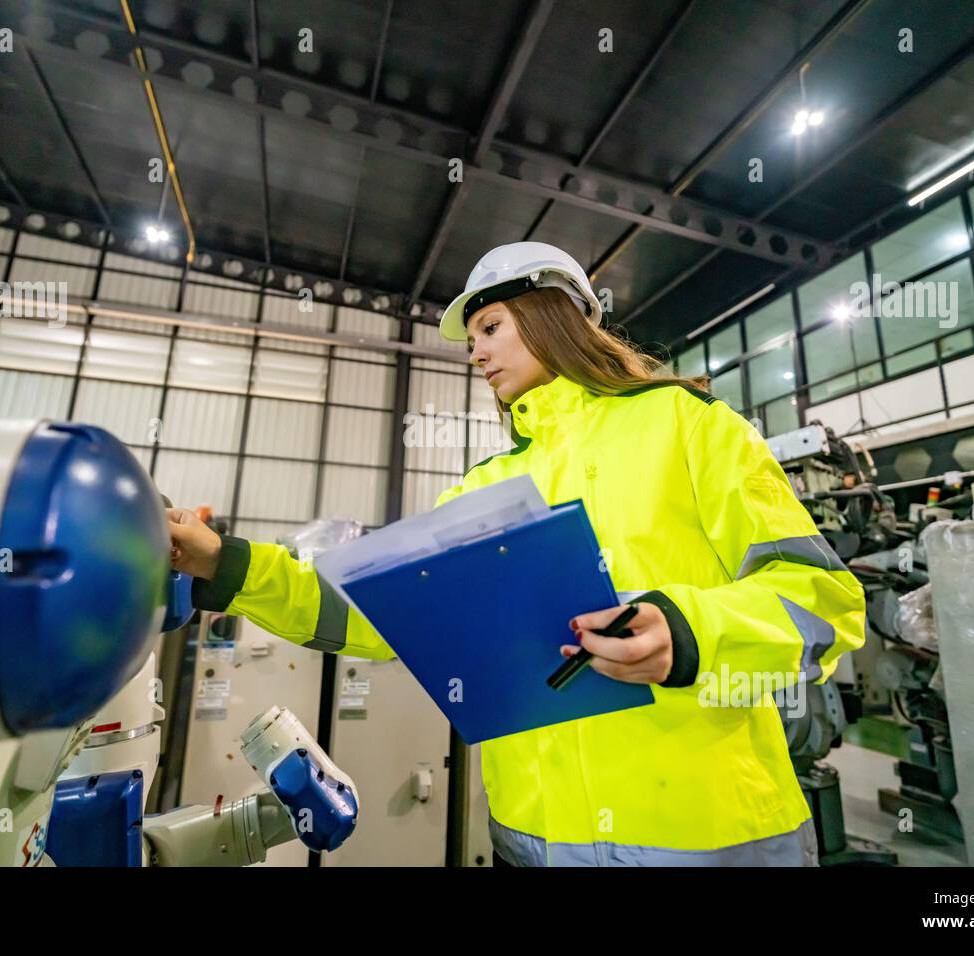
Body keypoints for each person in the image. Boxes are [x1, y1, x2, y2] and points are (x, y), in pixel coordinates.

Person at [168, 241, 865, 867]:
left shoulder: (689, 426)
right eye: (472, 338)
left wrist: (688, 633)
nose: (475, 353)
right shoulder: (483, 488)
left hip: (709, 834)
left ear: (556, 314)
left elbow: (820, 599)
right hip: (530, 840)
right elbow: (384, 618)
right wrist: (225, 565)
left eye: (490, 327)